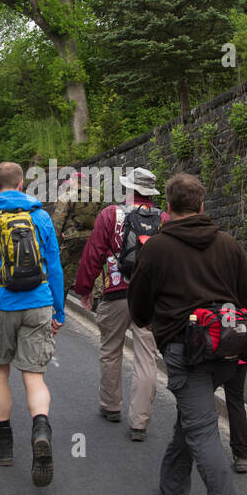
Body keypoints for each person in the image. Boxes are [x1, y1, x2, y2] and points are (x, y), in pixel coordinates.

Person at [127, 173, 247, 495]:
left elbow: (138, 305)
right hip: (229, 351)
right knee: (193, 419)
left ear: (167, 208)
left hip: (187, 351)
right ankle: (173, 486)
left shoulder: (158, 248)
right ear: (201, 207)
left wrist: (150, 320)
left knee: (202, 430)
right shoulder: (227, 243)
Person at [0, 161, 65, 488]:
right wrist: (59, 311)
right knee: (34, 375)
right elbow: (56, 267)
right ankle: (41, 429)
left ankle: (4, 445)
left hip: (0, 302)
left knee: (0, 371)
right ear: (21, 183)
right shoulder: (41, 216)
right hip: (39, 303)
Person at [74, 166, 166, 440]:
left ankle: (111, 405)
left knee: (111, 349)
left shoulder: (110, 214)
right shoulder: (164, 219)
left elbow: (93, 253)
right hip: (150, 298)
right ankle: (139, 421)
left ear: (128, 188)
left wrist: (84, 288)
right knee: (146, 357)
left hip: (116, 291)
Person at [52, 167, 103, 297]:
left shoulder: (67, 196)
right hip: (90, 238)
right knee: (92, 266)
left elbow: (57, 222)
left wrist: (56, 245)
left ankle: (59, 303)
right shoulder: (98, 196)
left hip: (71, 238)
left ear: (74, 181)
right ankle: (97, 296)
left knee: (63, 270)